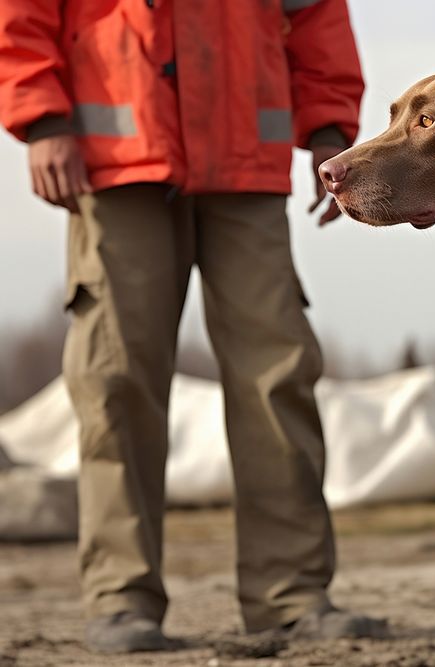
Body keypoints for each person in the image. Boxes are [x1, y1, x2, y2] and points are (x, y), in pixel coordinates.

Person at [0, 0, 381, 653]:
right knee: (116, 379)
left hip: (244, 160)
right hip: (116, 159)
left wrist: (328, 127)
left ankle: (290, 595)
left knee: (278, 371)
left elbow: (316, 12)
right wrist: (42, 118)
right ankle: (121, 599)